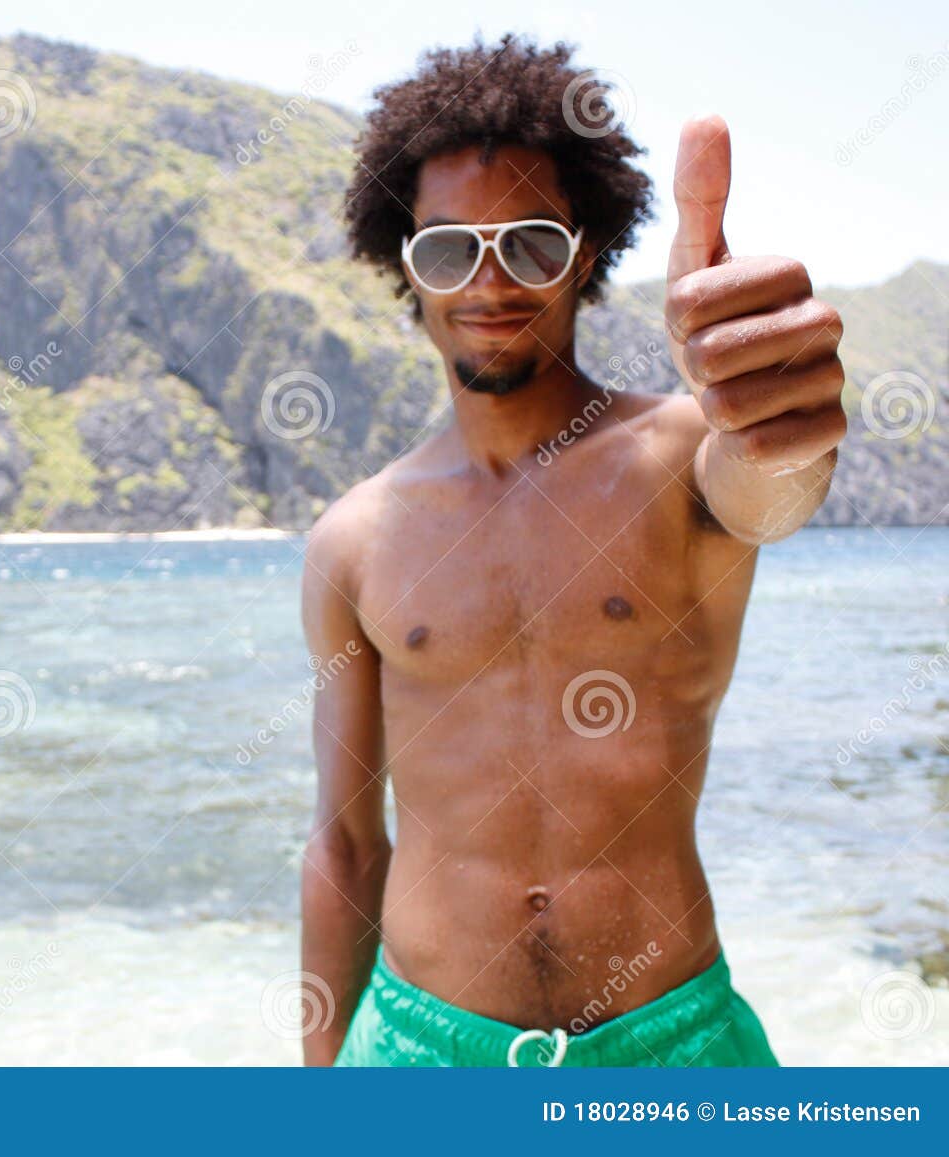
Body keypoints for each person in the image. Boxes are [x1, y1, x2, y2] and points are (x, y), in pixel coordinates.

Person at [299, 35, 846, 1067]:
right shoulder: (354, 540)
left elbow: (765, 488)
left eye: (532, 243)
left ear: (585, 252)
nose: (490, 280)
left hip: (671, 1048)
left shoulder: (682, 455)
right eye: (449, 248)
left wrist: (778, 426)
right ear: (403, 263)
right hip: (418, 1051)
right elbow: (343, 842)